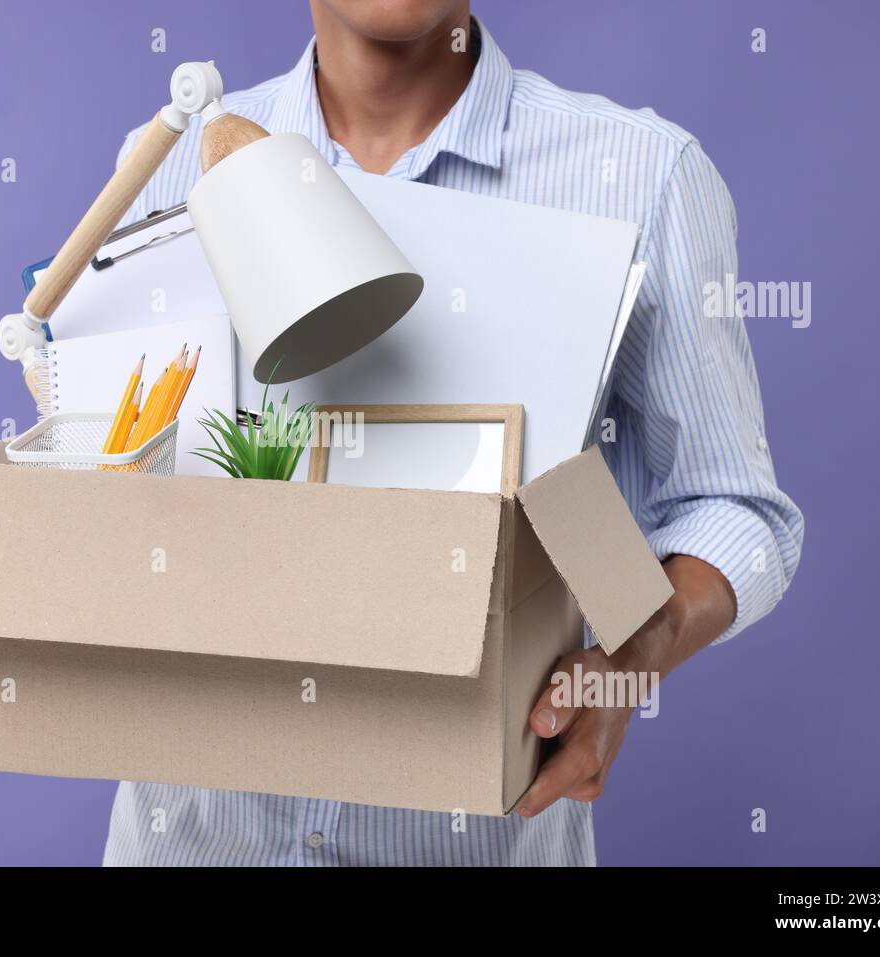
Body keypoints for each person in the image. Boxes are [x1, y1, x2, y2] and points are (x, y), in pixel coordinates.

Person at [103, 0, 804, 866]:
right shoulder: (171, 163)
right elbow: (115, 471)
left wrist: (633, 656)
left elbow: (734, 511)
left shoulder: (641, 175)